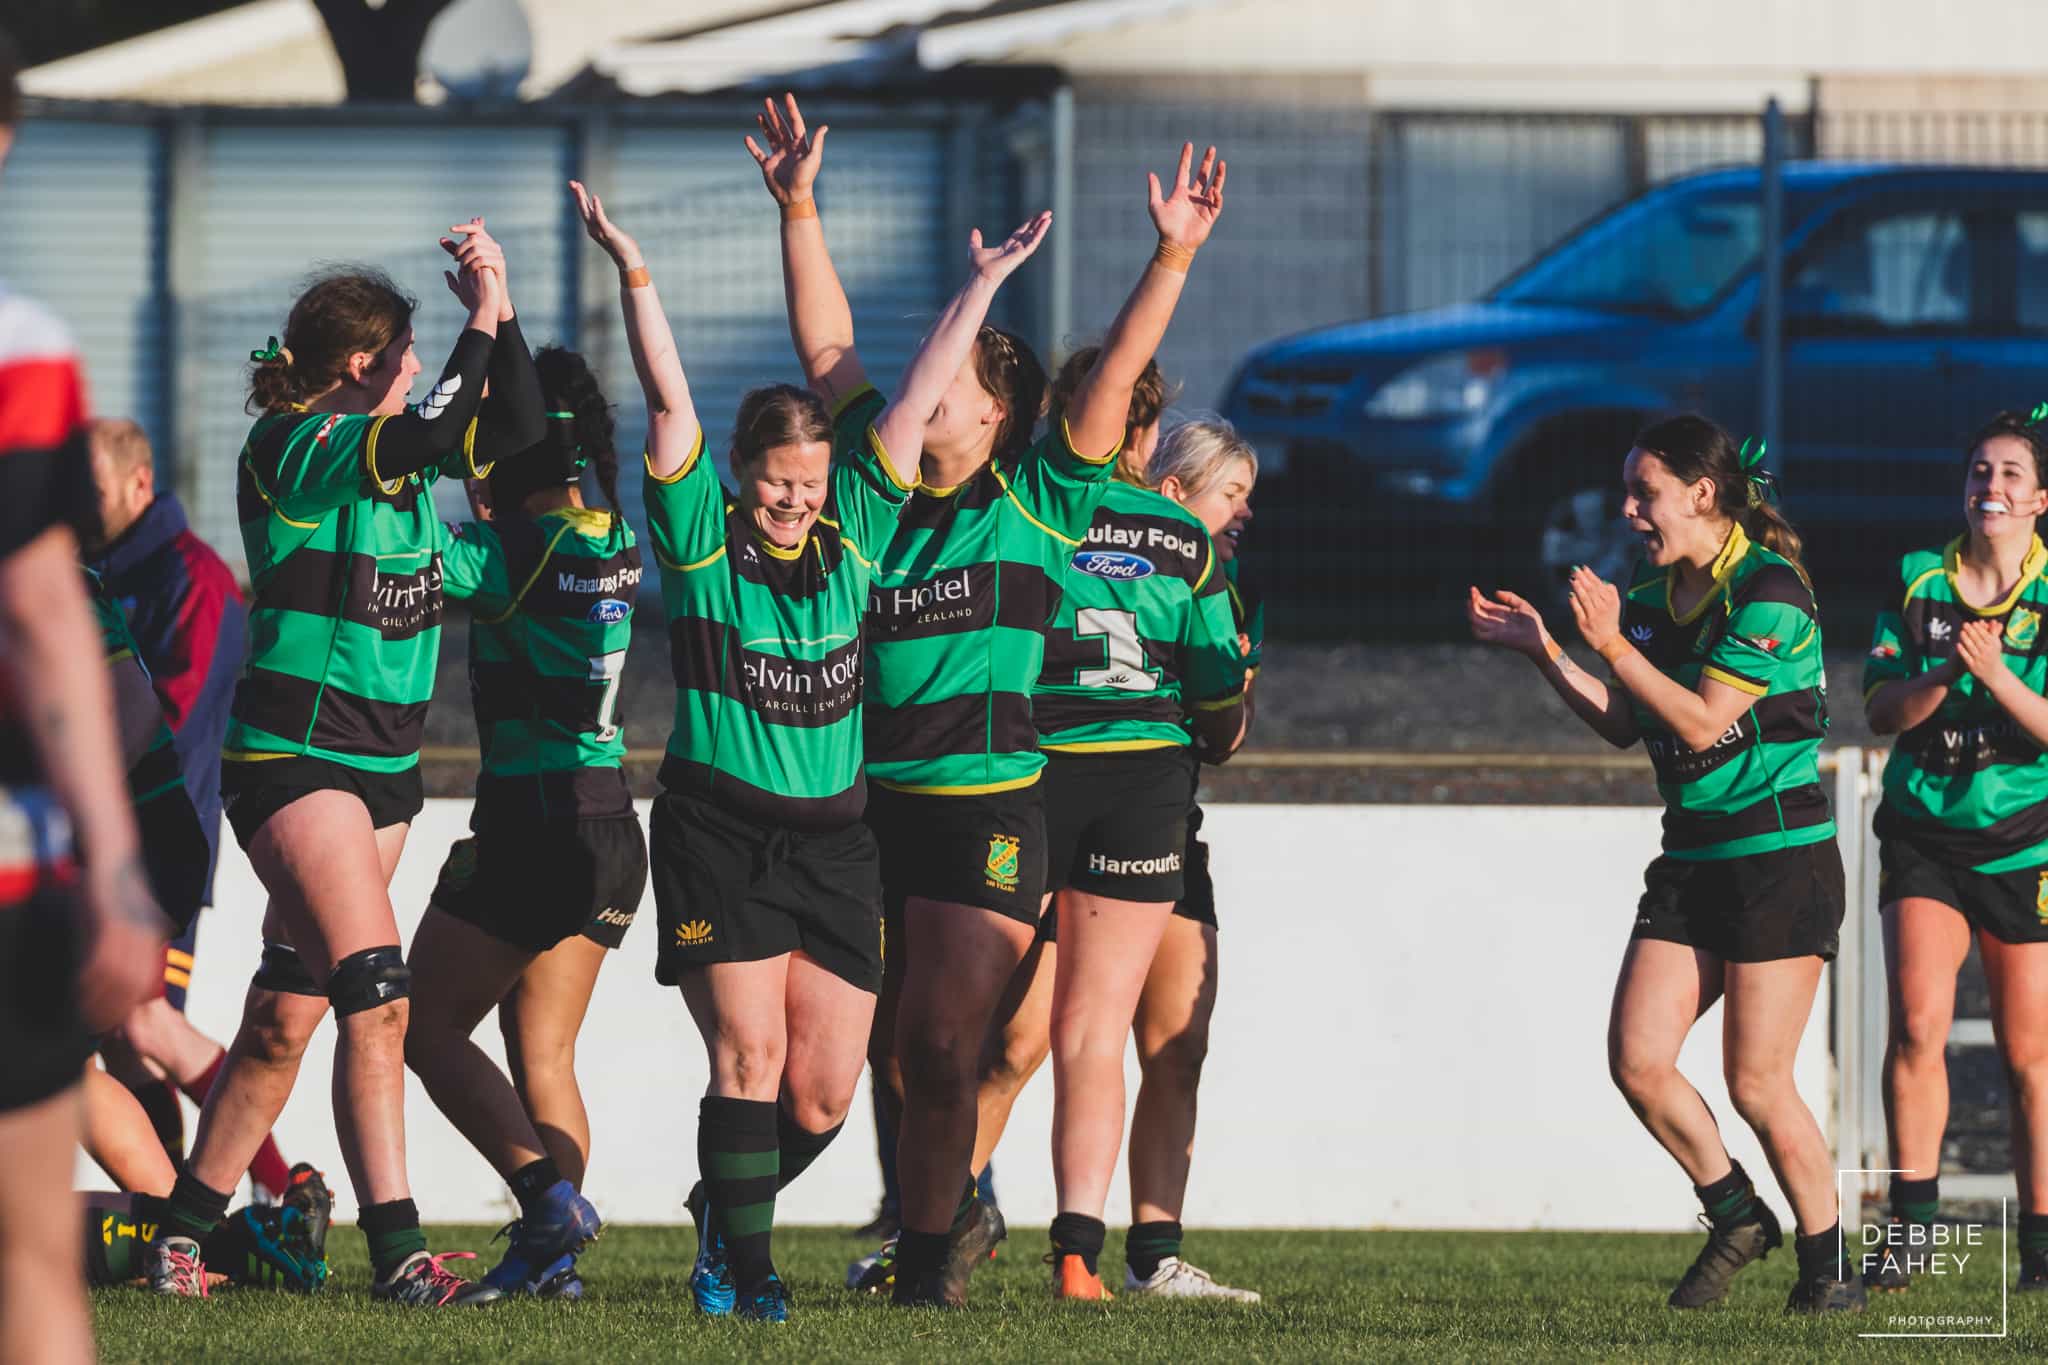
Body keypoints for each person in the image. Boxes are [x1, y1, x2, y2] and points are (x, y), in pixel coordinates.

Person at [750, 90, 1228, 1307]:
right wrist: (798, 207)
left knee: (939, 1045)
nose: (924, 384)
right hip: (859, 814)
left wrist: (1170, 251)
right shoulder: (873, 480)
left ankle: (925, 1266)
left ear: (997, 411)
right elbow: (825, 352)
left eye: (948, 377)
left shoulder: (1036, 501)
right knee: (855, 1065)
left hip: (982, 811)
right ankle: (853, 1226)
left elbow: (1116, 373)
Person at [573, 162, 1048, 1322]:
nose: (795, 501)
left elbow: (918, 389)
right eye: (778, 484)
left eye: (811, 484)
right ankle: (743, 1269)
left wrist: (979, 286)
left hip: (837, 848)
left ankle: (722, 1224)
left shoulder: (858, 537)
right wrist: (635, 272)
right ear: (741, 479)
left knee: (829, 1095)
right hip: (718, 832)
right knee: (747, 1056)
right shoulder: (696, 541)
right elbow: (669, 399)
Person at [139, 223, 546, 1306]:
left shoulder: (405, 487)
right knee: (380, 996)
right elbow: (434, 426)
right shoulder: (292, 448)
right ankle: (401, 1258)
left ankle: (180, 1235)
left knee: (285, 1017)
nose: (416, 368)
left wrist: (496, 320)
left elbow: (496, 450)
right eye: (406, 352)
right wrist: (479, 318)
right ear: (362, 365)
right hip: (292, 765)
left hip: (383, 775)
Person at [1467, 416, 1862, 1315]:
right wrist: (1547, 650)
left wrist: (1610, 643)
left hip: (1777, 859)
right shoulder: (1650, 592)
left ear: (1703, 493)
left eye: (1643, 491)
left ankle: (1830, 1267)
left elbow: (1698, 721)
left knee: (1757, 1079)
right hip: (1692, 856)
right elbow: (1624, 718)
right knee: (1639, 1058)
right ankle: (1736, 1215)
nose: (1629, 508)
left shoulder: (1770, 589)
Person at [955, 399, 1261, 1302]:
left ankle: (1152, 1253)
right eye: (1230, 494)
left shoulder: (1207, 573)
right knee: (1019, 1043)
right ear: (1171, 487)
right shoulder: (1151, 549)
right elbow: (1220, 723)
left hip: (1164, 819)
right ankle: (935, 1226)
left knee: (1175, 1041)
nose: (1240, 514)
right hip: (1117, 797)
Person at [404, 344, 642, 1300]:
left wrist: (426, 422)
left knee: (424, 1028)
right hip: (612, 829)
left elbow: (416, 536)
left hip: (531, 827)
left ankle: (545, 1200)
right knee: (542, 1052)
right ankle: (555, 1270)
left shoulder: (511, 551)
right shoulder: (608, 534)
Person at [0, 29, 170, 1360]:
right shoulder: (21, 348)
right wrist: (112, 863)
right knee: (28, 1262)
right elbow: (43, 607)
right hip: (12, 863)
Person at [1864, 409, 2048, 1293]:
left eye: (2012, 473)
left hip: (2024, 842)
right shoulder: (1917, 581)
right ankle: (1910, 1239)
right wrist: (1943, 675)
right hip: (1925, 834)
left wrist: (2000, 675)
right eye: (1980, 471)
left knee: (2029, 1057)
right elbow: (1878, 709)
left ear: (2041, 498)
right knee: (1918, 1026)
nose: (1993, 487)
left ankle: (2041, 1251)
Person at [83, 418, 279, 1188]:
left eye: (89, 488)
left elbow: (168, 720)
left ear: (139, 482)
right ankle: (172, 1206)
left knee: (142, 1023)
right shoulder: (98, 573)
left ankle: (282, 1183)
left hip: (154, 850)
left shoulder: (194, 578)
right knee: (124, 1041)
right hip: (102, 851)